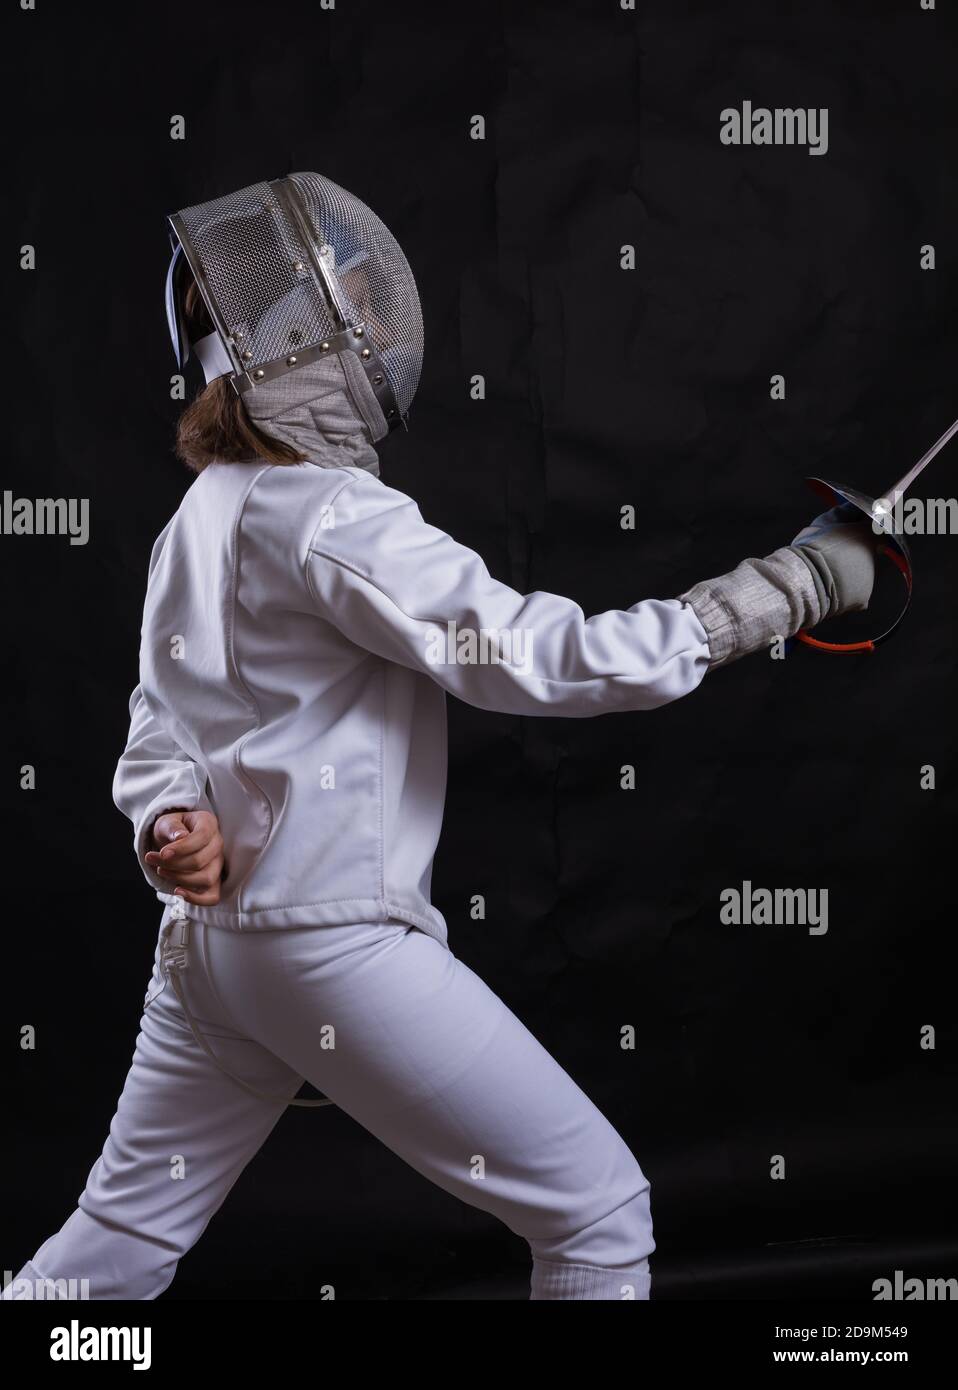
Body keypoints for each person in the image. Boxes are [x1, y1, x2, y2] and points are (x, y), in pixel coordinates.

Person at [2, 172, 880, 1302]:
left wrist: (171, 816)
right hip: (329, 948)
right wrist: (785, 590)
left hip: (207, 962)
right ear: (300, 346)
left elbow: (160, 719)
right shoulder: (330, 513)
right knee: (600, 1214)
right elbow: (534, 657)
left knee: (110, 1251)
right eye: (355, 317)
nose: (376, 336)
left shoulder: (200, 515)